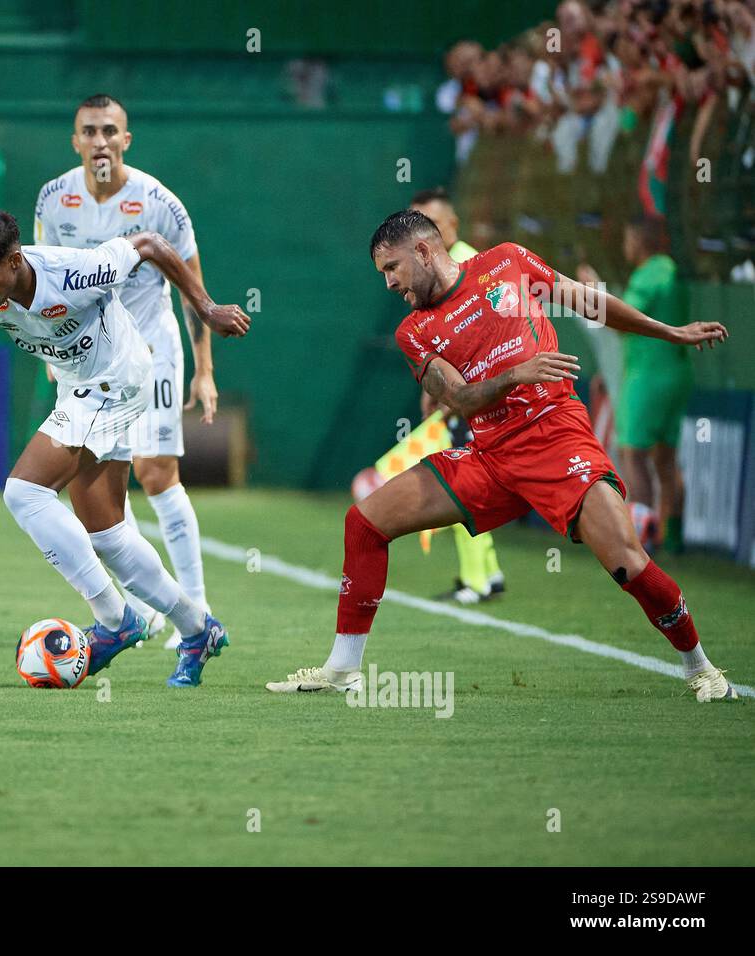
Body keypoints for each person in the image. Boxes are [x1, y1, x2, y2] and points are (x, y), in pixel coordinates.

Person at [266, 210, 735, 702]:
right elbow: (462, 400)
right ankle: (343, 668)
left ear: (424, 251)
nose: (388, 283)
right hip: (489, 456)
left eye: (392, 268)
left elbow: (588, 302)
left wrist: (670, 332)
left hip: (557, 436)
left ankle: (700, 667)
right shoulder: (416, 332)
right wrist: (514, 374)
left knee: (627, 563)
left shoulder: (507, 262)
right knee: (364, 523)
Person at [0, 209, 249, 687]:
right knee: (108, 535)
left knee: (23, 492)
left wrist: (206, 307)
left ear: (14, 261)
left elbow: (152, 244)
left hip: (118, 379)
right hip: (80, 386)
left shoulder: (75, 271)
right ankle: (199, 629)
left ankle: (116, 622)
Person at [35, 93, 217, 649]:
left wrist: (203, 370)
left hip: (152, 348)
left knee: (157, 471)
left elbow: (194, 292)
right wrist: (50, 354)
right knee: (100, 481)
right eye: (89, 131)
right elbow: (41, 281)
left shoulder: (160, 203)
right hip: (88, 359)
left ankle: (197, 604)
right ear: (75, 141)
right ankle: (145, 608)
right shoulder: (53, 200)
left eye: (110, 131)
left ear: (126, 140)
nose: (100, 142)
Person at [410, 188, 505, 603]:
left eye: (427, 225)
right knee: (471, 482)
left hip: (478, 394)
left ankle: (476, 581)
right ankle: (489, 572)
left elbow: (477, 337)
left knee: (464, 485)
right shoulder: (429, 272)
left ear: (450, 225)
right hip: (467, 391)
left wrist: (451, 393)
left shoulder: (466, 265)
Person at [578, 216, 691, 553]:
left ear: (640, 242)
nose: (626, 247)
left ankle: (643, 533)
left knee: (633, 454)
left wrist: (596, 291)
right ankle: (675, 537)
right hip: (678, 372)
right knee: (666, 459)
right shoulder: (672, 272)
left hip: (648, 377)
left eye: (629, 240)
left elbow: (623, 322)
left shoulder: (645, 277)